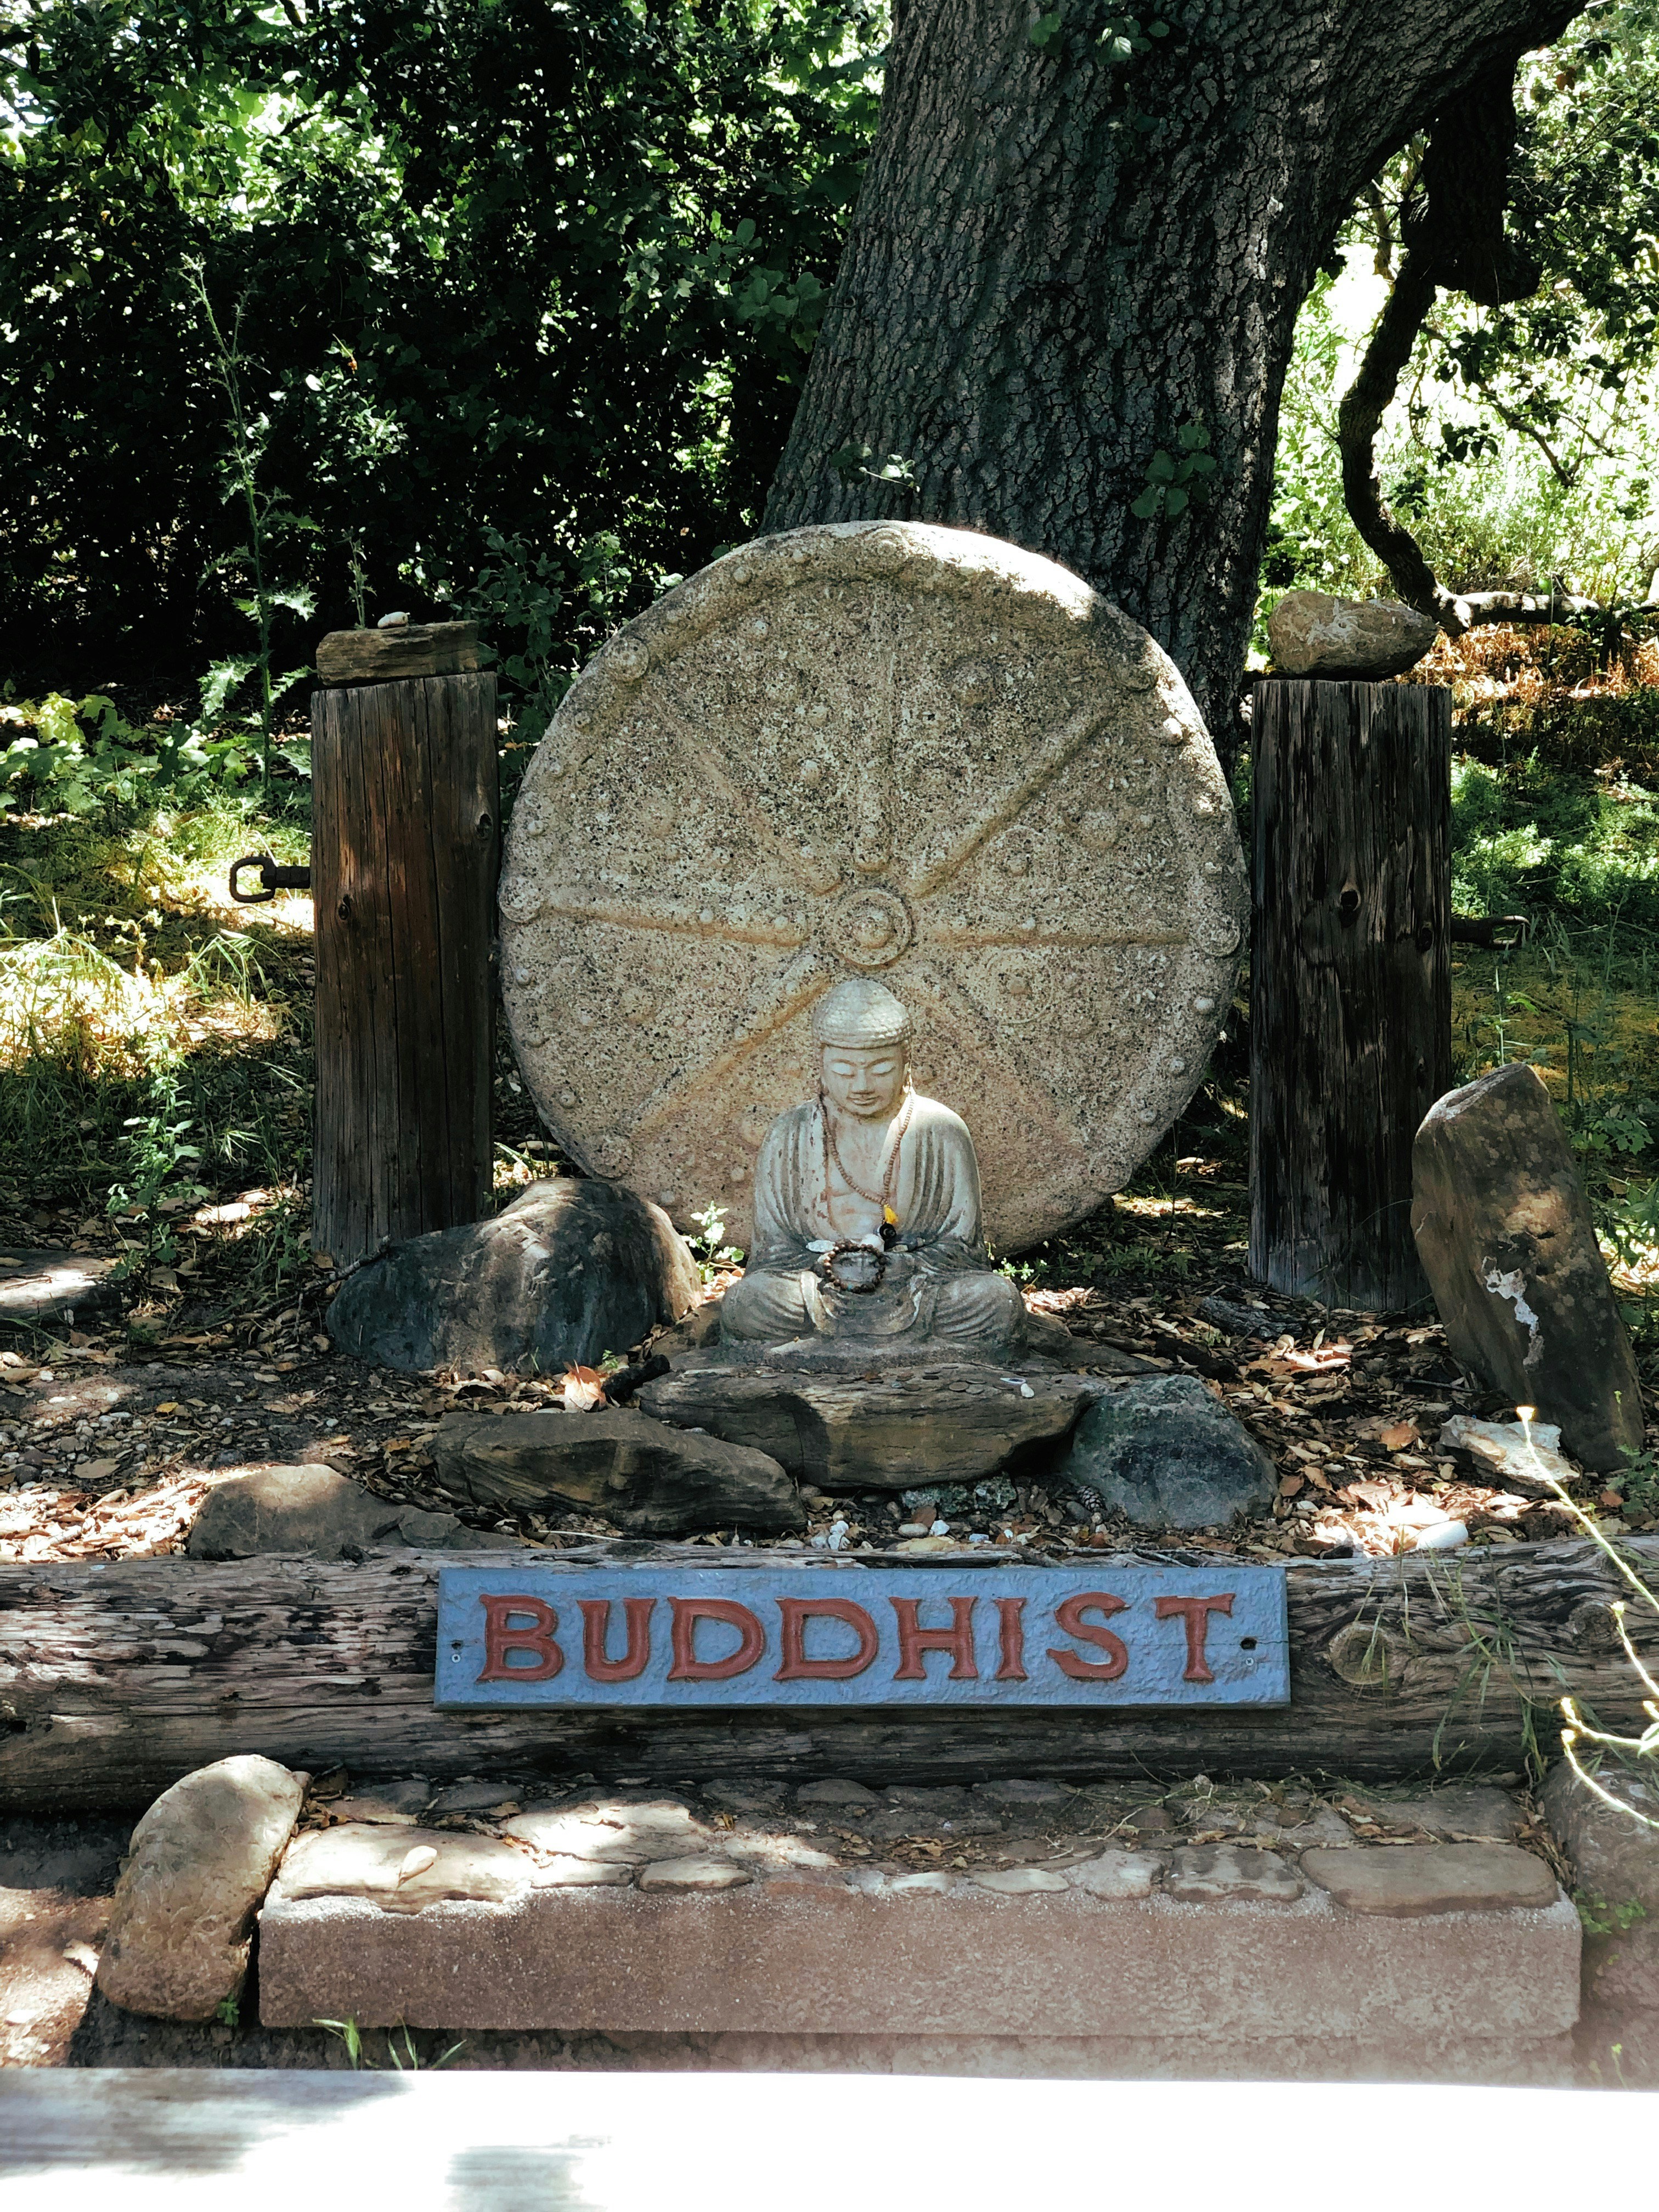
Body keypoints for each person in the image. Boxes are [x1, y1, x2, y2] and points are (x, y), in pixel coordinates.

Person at [718, 976, 1026, 1351]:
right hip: (819, 1288)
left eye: (880, 1070)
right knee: (747, 1304)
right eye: (845, 1072)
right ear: (820, 1064)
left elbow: (962, 1246)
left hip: (917, 1286)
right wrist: (831, 1267)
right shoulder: (791, 1133)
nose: (862, 1085)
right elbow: (774, 1250)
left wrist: (906, 1266)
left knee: (994, 1302)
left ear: (905, 1062)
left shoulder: (941, 1130)